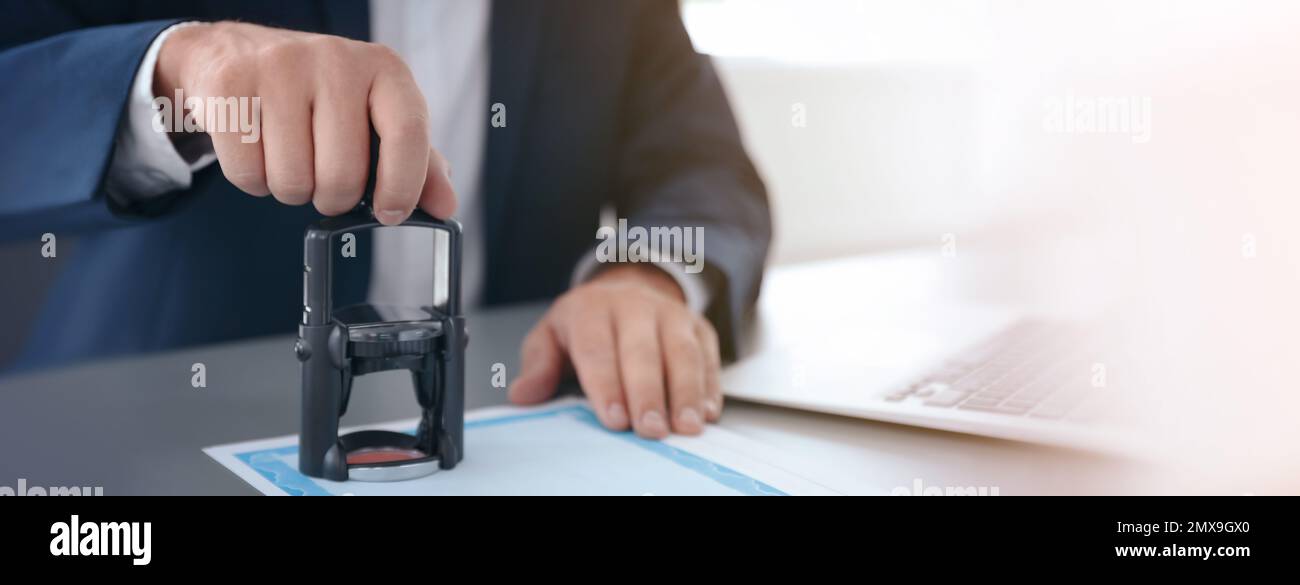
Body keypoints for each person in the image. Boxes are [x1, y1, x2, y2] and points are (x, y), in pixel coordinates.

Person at [0, 0, 770, 440]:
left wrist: (645, 275)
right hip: (135, 443)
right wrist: (172, 73)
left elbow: (703, 169)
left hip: (509, 433)